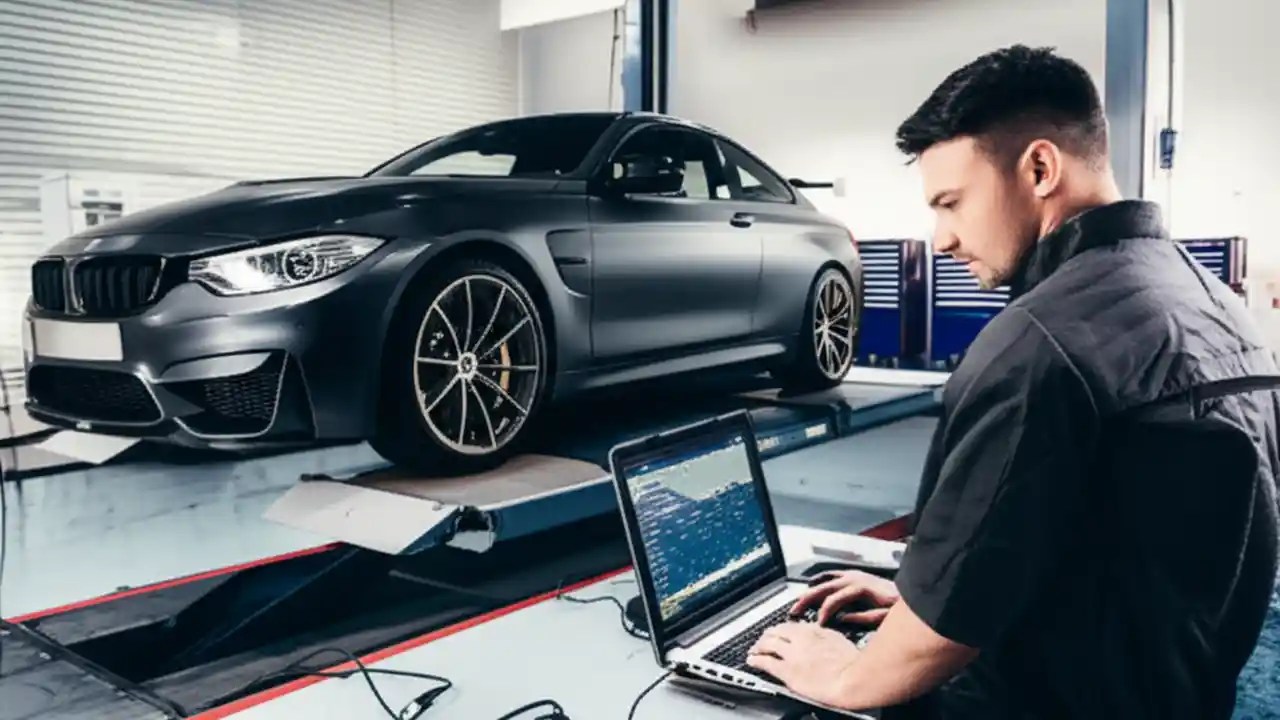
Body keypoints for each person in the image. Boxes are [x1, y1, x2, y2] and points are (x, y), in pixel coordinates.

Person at [746, 44, 1280, 718]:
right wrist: (926, 596)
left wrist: (849, 673)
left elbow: (902, 660)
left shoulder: (1040, 343)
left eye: (951, 203)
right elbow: (1123, 541)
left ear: (1038, 167)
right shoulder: (1217, 307)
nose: (941, 239)